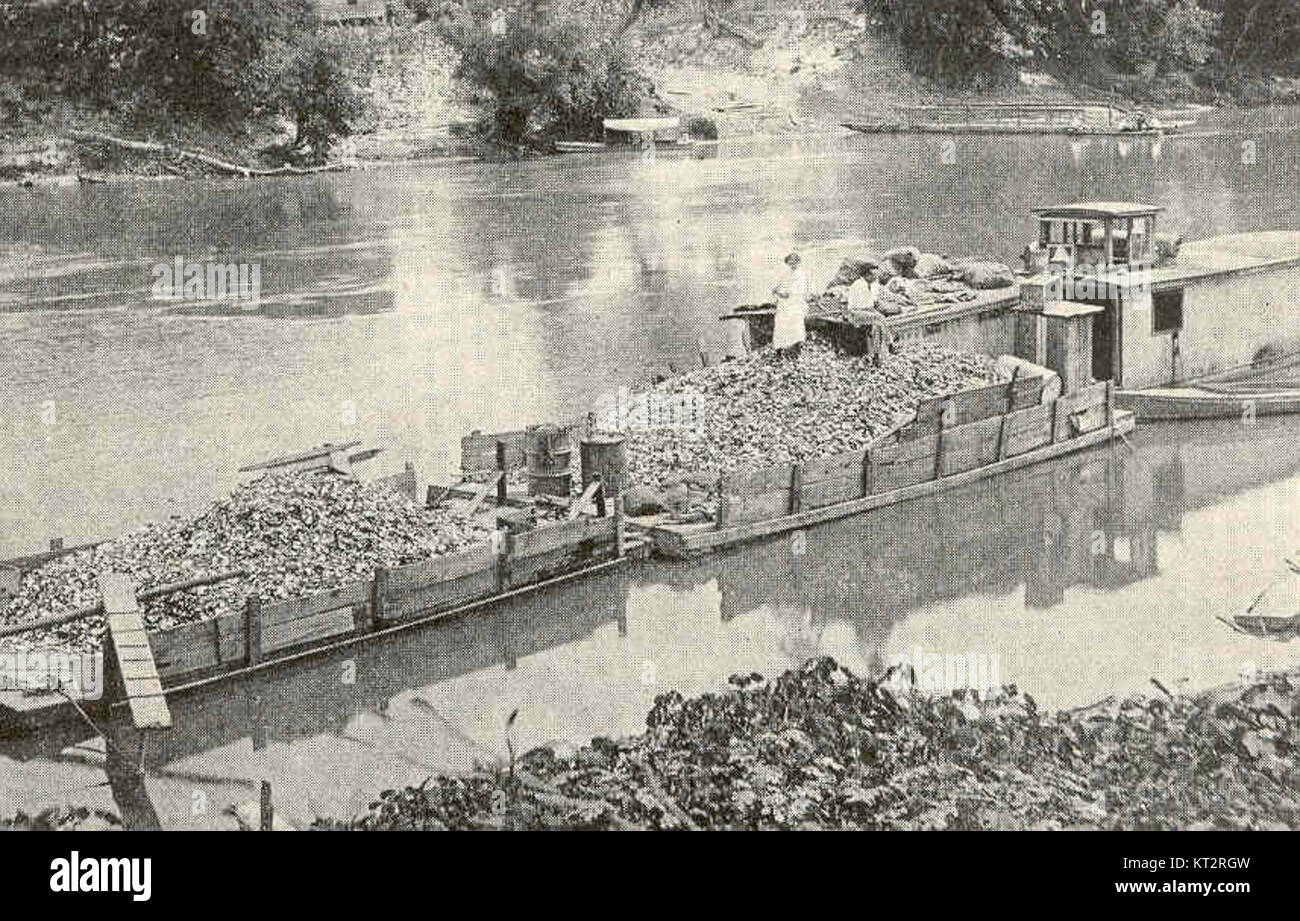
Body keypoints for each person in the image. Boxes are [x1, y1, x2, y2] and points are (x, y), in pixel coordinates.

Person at [845, 269, 891, 366]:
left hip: (866, 311)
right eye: (873, 275)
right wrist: (874, 313)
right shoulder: (858, 285)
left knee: (879, 322)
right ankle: (886, 346)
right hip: (855, 313)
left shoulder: (873, 285)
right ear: (867, 275)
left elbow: (873, 302)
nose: (875, 277)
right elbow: (858, 306)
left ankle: (879, 352)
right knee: (878, 320)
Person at [771, 252, 808, 359]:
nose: (792, 265)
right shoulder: (786, 274)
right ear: (787, 263)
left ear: (798, 262)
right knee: (781, 324)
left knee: (794, 324)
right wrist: (776, 290)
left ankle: (796, 349)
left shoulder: (799, 275)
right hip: (785, 304)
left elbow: (789, 294)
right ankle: (780, 349)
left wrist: (777, 292)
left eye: (794, 262)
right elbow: (779, 285)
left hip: (794, 303)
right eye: (790, 263)